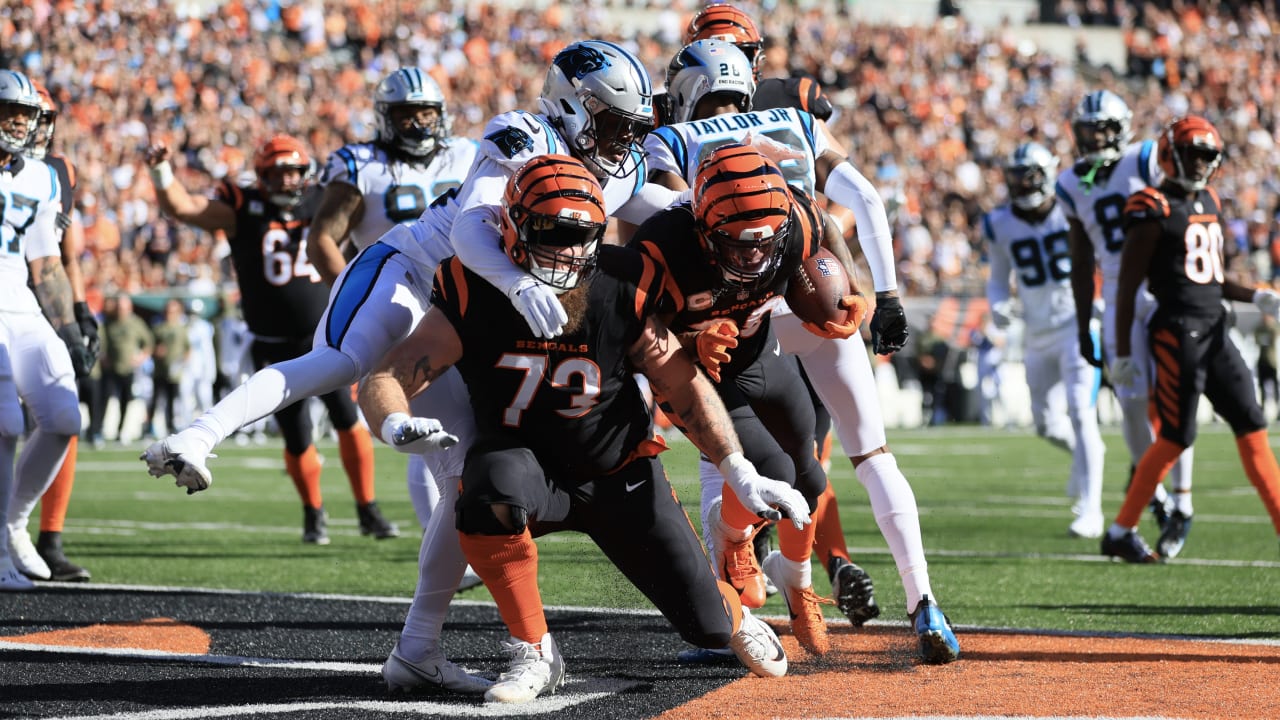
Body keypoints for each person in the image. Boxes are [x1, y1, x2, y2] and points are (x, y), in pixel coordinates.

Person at [143, 39, 685, 691]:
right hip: (411, 269)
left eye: (632, 125)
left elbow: (650, 206)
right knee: (341, 360)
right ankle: (199, 434)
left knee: (464, 475)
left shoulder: (617, 166)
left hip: (465, 303)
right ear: (574, 107)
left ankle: (416, 651)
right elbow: (465, 234)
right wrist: (519, 288)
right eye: (614, 122)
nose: (625, 138)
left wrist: (714, 214)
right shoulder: (524, 134)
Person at [359, 154, 806, 703]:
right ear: (513, 226)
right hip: (528, 464)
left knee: (710, 628)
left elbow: (682, 386)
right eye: (553, 232)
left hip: (618, 471)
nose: (569, 249)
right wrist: (394, 419)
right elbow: (392, 371)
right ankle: (534, 648)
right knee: (482, 487)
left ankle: (730, 612)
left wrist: (737, 469)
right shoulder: (473, 284)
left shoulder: (623, 281)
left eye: (582, 234)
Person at [643, 42, 958, 664]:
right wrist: (876, 293)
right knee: (865, 452)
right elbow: (857, 204)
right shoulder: (793, 115)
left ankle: (737, 587)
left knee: (737, 461)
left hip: (735, 310)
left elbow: (664, 223)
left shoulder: (670, 138)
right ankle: (922, 600)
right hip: (805, 287)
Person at [143, 134, 395, 544]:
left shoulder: (326, 200)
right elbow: (183, 206)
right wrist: (160, 171)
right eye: (278, 173)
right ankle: (313, 513)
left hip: (329, 335)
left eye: (295, 171)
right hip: (274, 342)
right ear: (261, 175)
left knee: (350, 423)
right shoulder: (243, 206)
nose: (287, 180)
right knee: (297, 437)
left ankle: (368, 508)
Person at [306, 67, 477, 533]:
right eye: (406, 113)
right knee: (424, 421)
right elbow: (321, 237)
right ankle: (446, 546)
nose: (419, 122)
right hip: (398, 299)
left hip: (462, 300)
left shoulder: (467, 154)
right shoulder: (362, 164)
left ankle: (465, 534)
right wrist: (355, 297)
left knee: (465, 423)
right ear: (385, 117)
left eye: (427, 111)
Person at [1106, 115, 1280, 562]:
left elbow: (1211, 279)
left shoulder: (1209, 200)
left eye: (1208, 156)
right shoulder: (1152, 206)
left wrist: (1254, 295)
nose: (1202, 164)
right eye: (1194, 154)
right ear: (1172, 153)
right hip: (1177, 332)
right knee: (1177, 435)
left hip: (1215, 326)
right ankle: (1122, 528)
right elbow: (1127, 286)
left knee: (1252, 423)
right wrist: (1122, 351)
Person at [1060, 89, 1186, 536]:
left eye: (1103, 130)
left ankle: (1181, 497)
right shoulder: (1072, 182)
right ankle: (1158, 495)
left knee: (1176, 396)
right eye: (1087, 131)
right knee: (1131, 402)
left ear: (1123, 129)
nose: (1094, 139)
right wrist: (1082, 325)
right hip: (1118, 298)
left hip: (1165, 287)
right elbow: (1080, 263)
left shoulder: (1146, 159)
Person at [984, 141, 1106, 538]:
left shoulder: (1072, 210)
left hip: (1077, 324)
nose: (1021, 184)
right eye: (1016, 177)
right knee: (1047, 424)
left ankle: (1091, 509)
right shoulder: (1000, 223)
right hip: (1037, 333)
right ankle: (1085, 461)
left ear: (1049, 173)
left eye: (1029, 176)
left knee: (1080, 410)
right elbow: (999, 279)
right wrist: (999, 304)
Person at [0, 69, 90, 590]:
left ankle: (13, 523)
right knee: (6, 424)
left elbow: (46, 265)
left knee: (62, 415)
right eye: (9, 110)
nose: (18, 122)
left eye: (26, 114)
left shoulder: (41, 176)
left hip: (20, 303)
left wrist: (70, 328)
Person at [97, 294, 152, 444]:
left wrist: (140, 357)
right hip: (111, 368)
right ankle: (98, 430)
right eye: (119, 307)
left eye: (124, 308)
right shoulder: (109, 322)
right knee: (105, 398)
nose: (121, 311)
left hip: (129, 369)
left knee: (125, 401)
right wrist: (104, 357)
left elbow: (148, 343)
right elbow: (102, 341)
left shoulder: (136, 323)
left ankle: (121, 431)